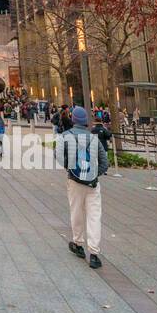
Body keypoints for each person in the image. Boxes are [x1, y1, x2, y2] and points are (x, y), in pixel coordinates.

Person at [57, 106, 108, 269]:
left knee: (76, 211)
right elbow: (105, 162)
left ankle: (78, 243)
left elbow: (58, 155)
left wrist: (69, 167)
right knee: (94, 215)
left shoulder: (66, 136)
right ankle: (94, 253)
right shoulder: (94, 139)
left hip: (74, 180)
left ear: (73, 119)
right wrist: (93, 174)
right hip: (92, 183)